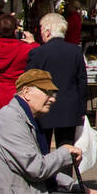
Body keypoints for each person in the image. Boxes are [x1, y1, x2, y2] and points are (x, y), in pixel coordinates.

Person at [27, 12, 88, 147]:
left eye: (41, 30)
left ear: (48, 32)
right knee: (66, 151)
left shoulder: (37, 53)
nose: (40, 33)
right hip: (69, 108)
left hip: (43, 109)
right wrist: (82, 110)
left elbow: (29, 81)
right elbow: (82, 81)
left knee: (42, 151)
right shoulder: (75, 51)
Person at [0, 14, 36, 123]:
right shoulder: (24, 49)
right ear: (15, 31)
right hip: (13, 100)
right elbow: (38, 53)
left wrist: (3, 21)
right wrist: (32, 42)